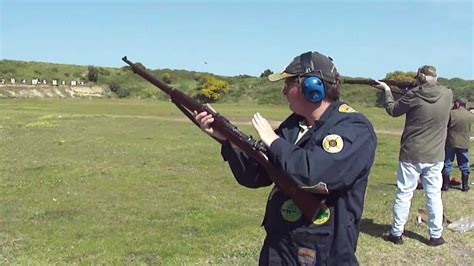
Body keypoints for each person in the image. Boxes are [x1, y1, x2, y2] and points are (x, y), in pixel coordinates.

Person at [194, 51, 377, 265]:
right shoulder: (293, 125)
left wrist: (273, 141)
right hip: (281, 244)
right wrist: (229, 141)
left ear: (311, 87)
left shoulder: (353, 127)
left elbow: (313, 174)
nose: (283, 92)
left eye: (288, 84)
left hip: (324, 249)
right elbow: (255, 176)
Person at [376, 65, 453, 246]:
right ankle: (435, 235)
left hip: (412, 153)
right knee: (434, 195)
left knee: (404, 194)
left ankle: (396, 233)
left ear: (420, 77)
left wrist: (387, 90)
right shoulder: (448, 94)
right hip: (436, 154)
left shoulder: (414, 95)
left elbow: (393, 110)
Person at [442, 97, 473, 192]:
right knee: (464, 164)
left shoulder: (451, 113)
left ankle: (445, 185)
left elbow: (445, 125)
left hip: (451, 141)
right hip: (464, 142)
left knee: (447, 163)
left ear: (457, 103)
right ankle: (465, 186)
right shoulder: (470, 115)